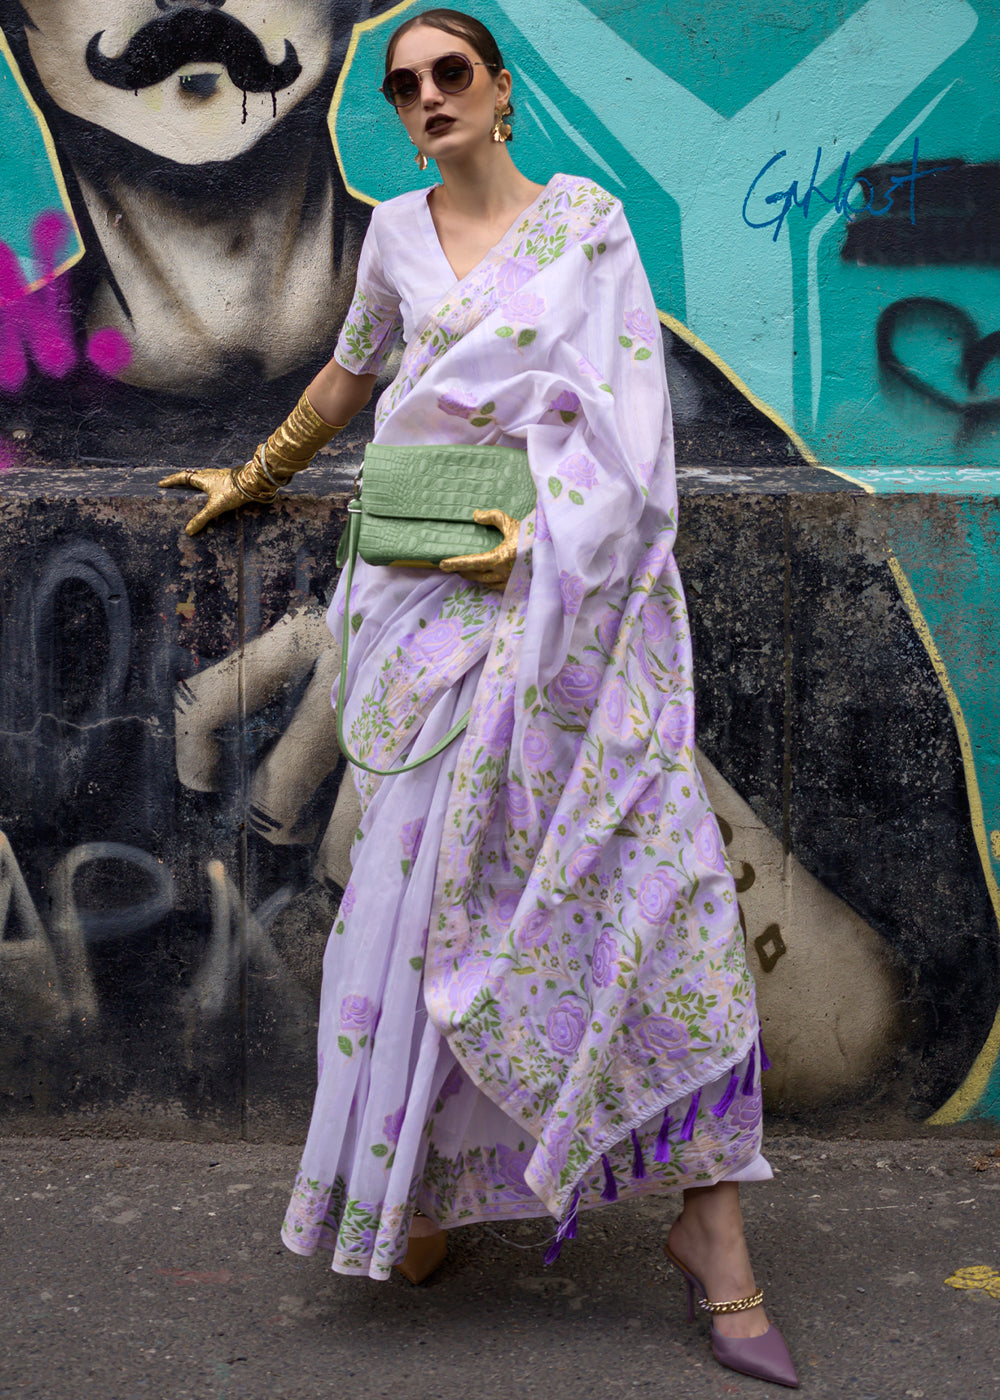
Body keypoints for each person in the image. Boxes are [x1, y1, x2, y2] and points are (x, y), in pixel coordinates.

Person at [160, 8, 799, 1388]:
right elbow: (355, 369)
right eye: (405, 85)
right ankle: (424, 1193)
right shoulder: (393, 234)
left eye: (453, 73)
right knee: (420, 908)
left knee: (651, 893)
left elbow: (632, 429)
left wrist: (545, 537)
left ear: (502, 92)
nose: (428, 95)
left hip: (578, 616)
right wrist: (255, 475)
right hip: (425, 615)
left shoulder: (588, 225)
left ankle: (716, 1235)